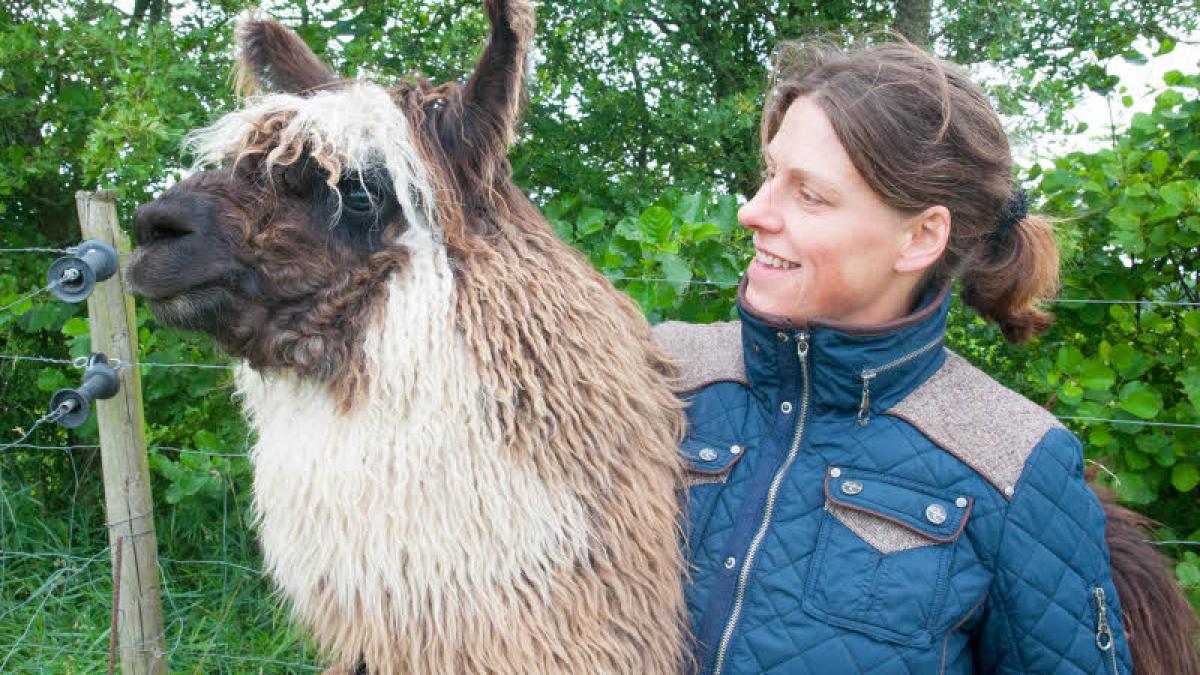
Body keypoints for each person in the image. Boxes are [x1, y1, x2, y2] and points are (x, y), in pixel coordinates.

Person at [654, 38, 1137, 674]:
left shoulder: (1013, 461)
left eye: (810, 195)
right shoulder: (659, 371)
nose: (751, 211)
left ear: (919, 238)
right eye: (771, 174)